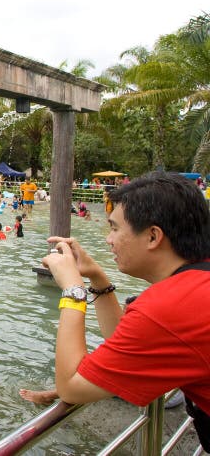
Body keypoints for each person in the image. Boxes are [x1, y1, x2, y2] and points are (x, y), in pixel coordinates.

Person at [42, 172, 210, 450]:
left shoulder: (169, 307)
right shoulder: (193, 286)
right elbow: (129, 339)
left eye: (115, 229)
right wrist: (97, 277)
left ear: (153, 236)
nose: (109, 240)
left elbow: (71, 386)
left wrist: (73, 289)